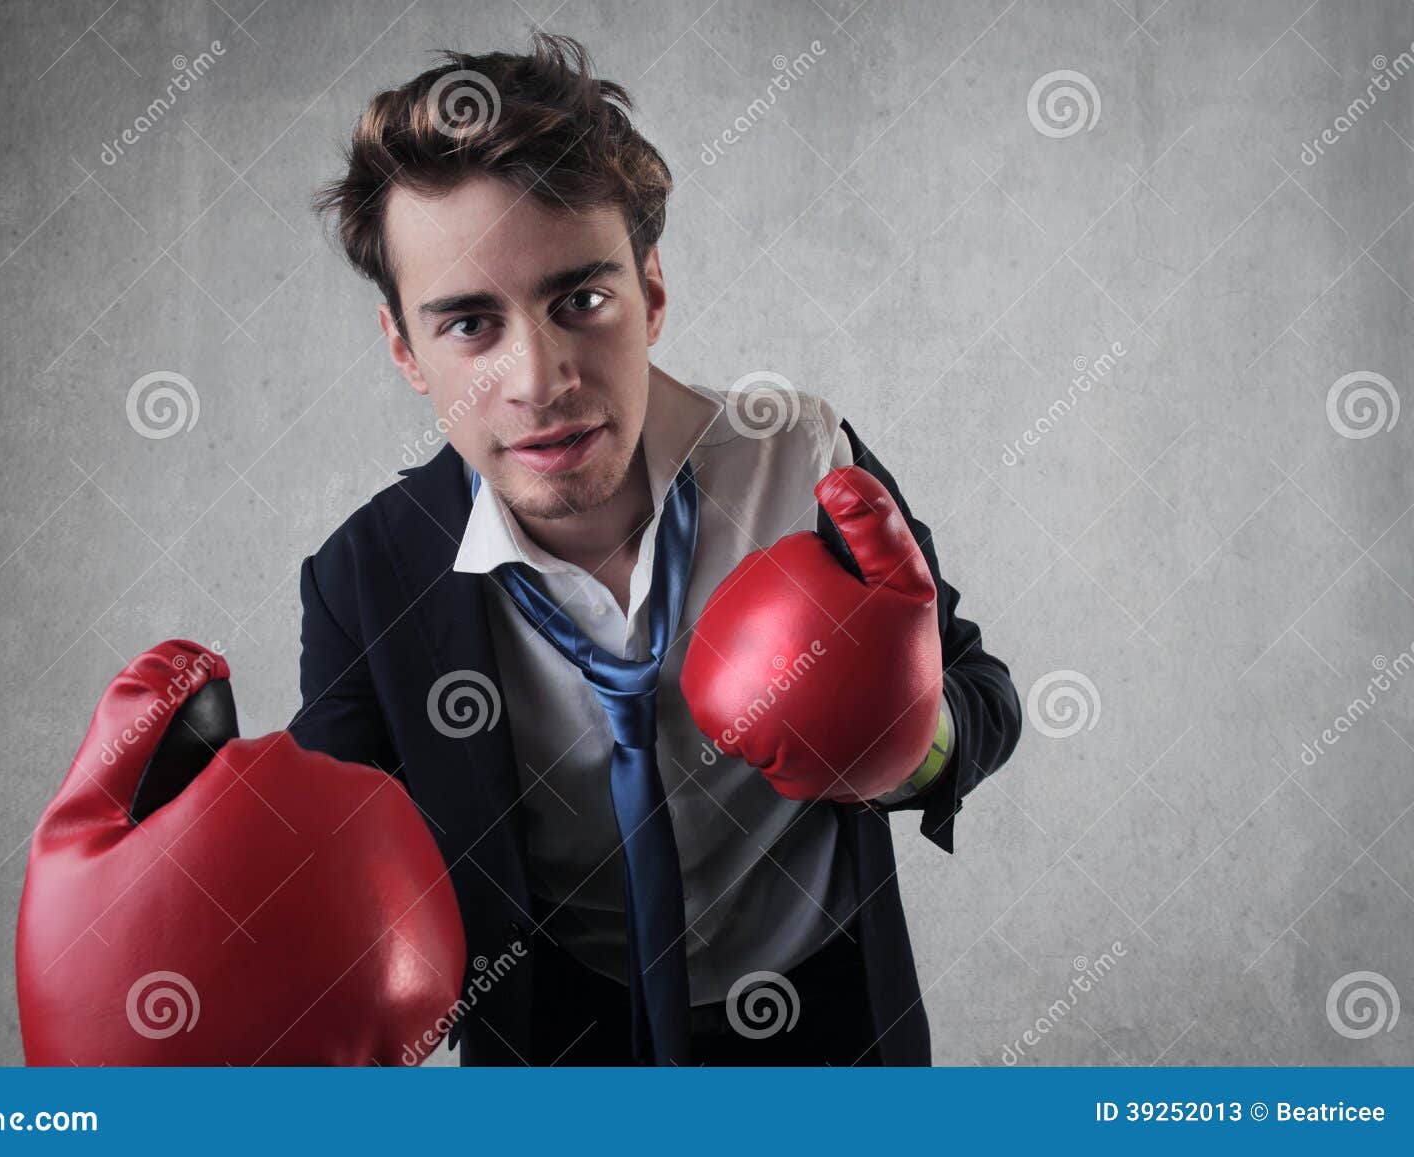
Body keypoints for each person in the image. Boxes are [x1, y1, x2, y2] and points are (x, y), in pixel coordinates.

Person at [291, 31, 1021, 1066]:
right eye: (467, 323)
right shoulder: (366, 576)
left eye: (580, 300)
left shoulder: (803, 459)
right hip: (553, 1047)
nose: (539, 379)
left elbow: (980, 692)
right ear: (405, 350)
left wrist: (912, 739)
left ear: (653, 292)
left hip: (833, 1031)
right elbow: (329, 877)